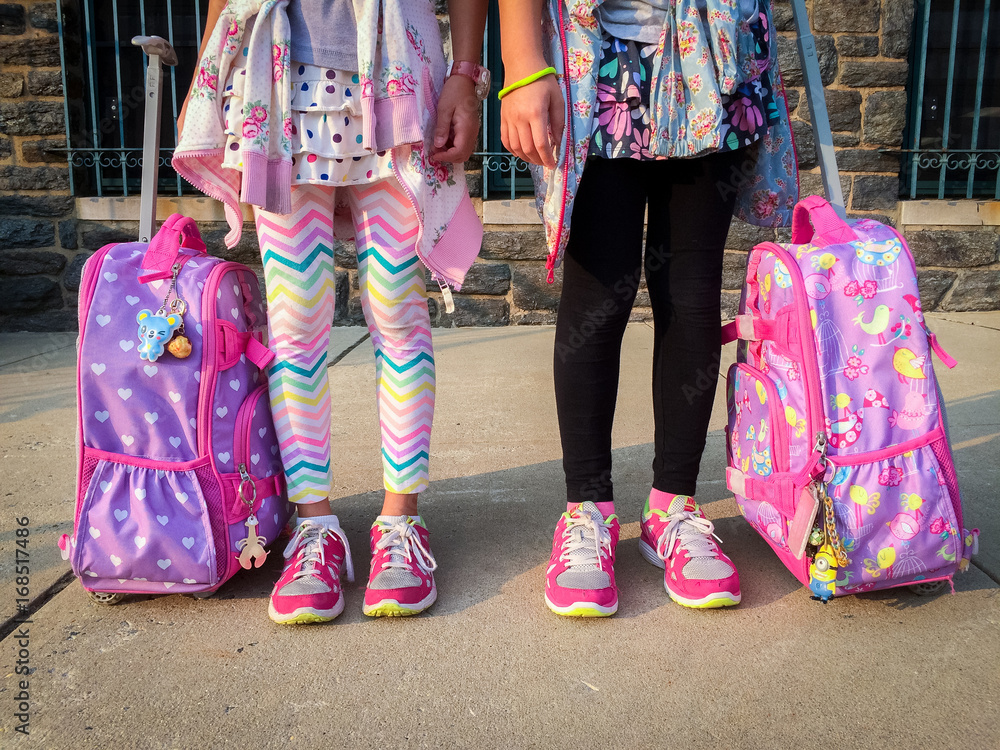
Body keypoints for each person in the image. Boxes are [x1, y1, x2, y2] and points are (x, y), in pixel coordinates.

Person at [174, 0, 489, 623]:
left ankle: (401, 523)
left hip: (400, 78)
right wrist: (209, 74)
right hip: (277, 87)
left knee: (397, 312)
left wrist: (467, 72)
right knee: (293, 325)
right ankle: (316, 529)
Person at [498, 0, 798, 616]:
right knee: (597, 296)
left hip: (712, 58)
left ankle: (673, 507)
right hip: (597, 61)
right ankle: (588, 510)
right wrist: (523, 65)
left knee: (691, 294)